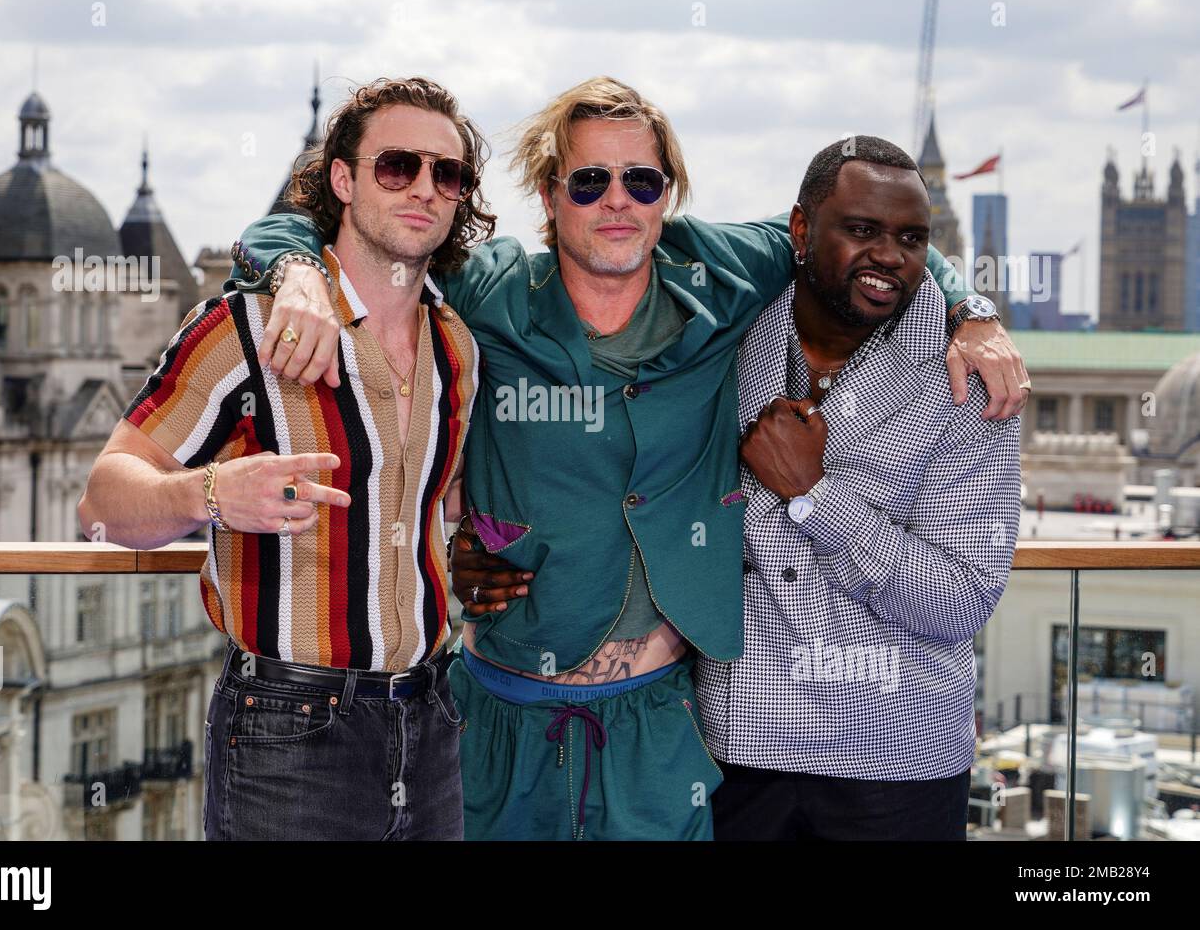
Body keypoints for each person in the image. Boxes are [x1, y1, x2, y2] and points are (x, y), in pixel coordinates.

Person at [229, 77, 1029, 840]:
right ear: (548, 196)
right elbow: (344, 235)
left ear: (668, 194)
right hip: (499, 720)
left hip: (675, 735)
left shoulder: (726, 274)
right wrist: (295, 272)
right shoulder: (488, 289)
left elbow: (885, 240)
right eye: (589, 182)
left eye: (643, 181)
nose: (618, 200)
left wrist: (971, 307)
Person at [78, 77, 491, 839]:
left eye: (449, 173)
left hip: (431, 719)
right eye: (397, 166)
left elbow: (436, 502)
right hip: (288, 727)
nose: (426, 189)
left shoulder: (457, 347)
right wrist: (209, 492)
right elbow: (102, 501)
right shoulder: (246, 329)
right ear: (342, 179)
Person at [700, 136, 1022, 840]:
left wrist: (815, 496)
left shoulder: (967, 380)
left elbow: (962, 598)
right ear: (800, 231)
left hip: (896, 762)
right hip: (735, 752)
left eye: (912, 238)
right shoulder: (723, 335)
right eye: (862, 230)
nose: (889, 256)